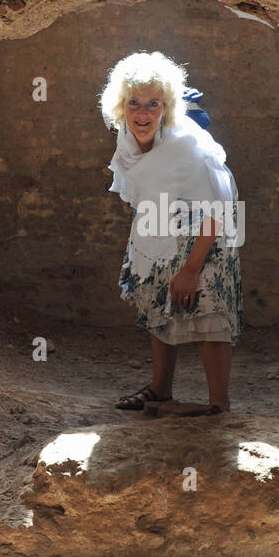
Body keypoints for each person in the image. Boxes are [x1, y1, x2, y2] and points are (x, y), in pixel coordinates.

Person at [100, 50, 243, 414]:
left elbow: (222, 209)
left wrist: (191, 269)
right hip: (159, 231)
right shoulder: (128, 137)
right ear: (121, 105)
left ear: (167, 107)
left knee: (207, 314)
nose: (142, 113)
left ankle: (218, 405)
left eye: (153, 103)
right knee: (157, 305)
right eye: (134, 103)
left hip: (205, 239)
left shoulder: (187, 146)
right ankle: (160, 390)